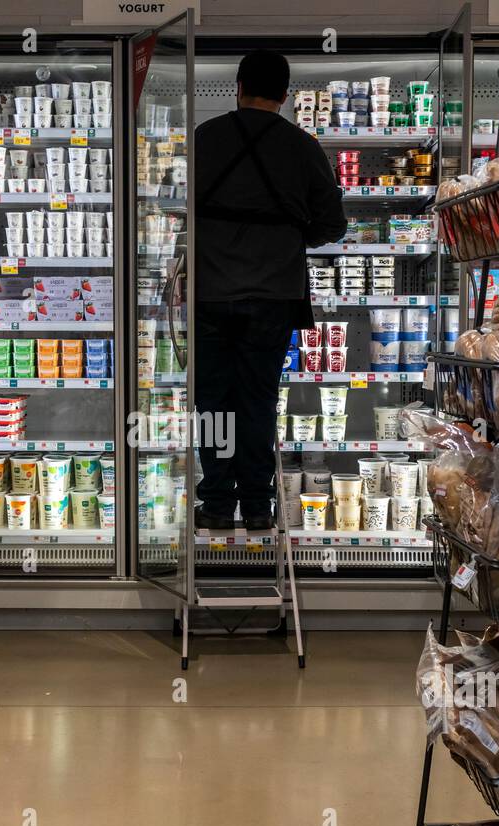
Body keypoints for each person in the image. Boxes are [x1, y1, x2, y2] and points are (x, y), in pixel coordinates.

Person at [193, 50, 346, 531]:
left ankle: (217, 504)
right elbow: (333, 225)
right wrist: (290, 233)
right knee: (258, 400)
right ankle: (259, 506)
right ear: (285, 95)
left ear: (237, 86)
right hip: (274, 295)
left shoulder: (204, 139)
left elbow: (172, 209)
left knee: (214, 401)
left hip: (210, 293)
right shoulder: (303, 147)